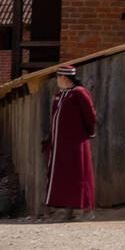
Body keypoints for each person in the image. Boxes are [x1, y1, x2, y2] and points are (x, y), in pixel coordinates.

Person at [42, 65, 96, 221]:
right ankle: (68, 209)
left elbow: (90, 115)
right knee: (64, 176)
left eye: (58, 77)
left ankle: (86, 210)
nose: (57, 80)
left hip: (75, 143)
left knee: (79, 174)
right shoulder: (60, 95)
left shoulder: (80, 93)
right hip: (59, 145)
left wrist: (89, 132)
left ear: (64, 77)